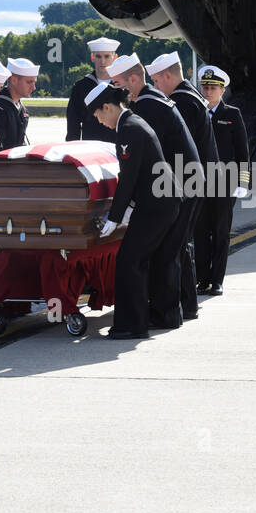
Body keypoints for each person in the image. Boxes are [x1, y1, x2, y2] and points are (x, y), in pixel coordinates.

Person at [110, 53, 199, 329]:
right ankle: (184, 306)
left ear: (134, 80)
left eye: (117, 83)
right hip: (185, 182)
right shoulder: (152, 99)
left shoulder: (147, 107)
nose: (114, 90)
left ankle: (166, 314)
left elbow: (143, 159)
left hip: (176, 185)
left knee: (167, 253)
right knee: (176, 249)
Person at [90, 82, 180, 340]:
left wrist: (115, 217)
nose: (99, 121)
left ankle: (131, 325)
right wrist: (126, 209)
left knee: (130, 261)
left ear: (107, 107)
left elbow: (128, 178)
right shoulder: (134, 123)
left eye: (98, 115)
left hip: (156, 206)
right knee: (150, 260)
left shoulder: (128, 130)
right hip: (162, 201)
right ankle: (163, 316)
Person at [148, 52, 215, 322]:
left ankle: (177, 305)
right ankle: (188, 304)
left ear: (167, 76)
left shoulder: (180, 102)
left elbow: (176, 147)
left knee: (174, 246)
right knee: (182, 244)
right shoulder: (191, 95)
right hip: (196, 179)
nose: (154, 85)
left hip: (185, 181)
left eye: (155, 79)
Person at [195, 65, 250, 295]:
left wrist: (243, 183)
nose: (207, 91)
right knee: (199, 233)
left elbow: (243, 151)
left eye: (212, 88)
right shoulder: (196, 113)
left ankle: (217, 280)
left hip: (225, 184)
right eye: (204, 87)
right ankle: (202, 279)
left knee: (220, 233)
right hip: (198, 183)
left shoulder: (232, 114)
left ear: (222, 89)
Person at [66, 37, 120, 142]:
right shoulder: (81, 86)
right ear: (92, 57)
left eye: (107, 56)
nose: (102, 61)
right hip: (90, 146)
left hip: (117, 146)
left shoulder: (121, 85)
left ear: (115, 57)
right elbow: (73, 122)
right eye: (98, 56)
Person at [0, 58, 36, 149]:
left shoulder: (23, 110)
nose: (33, 88)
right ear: (13, 80)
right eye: (29, 82)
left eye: (34, 82)